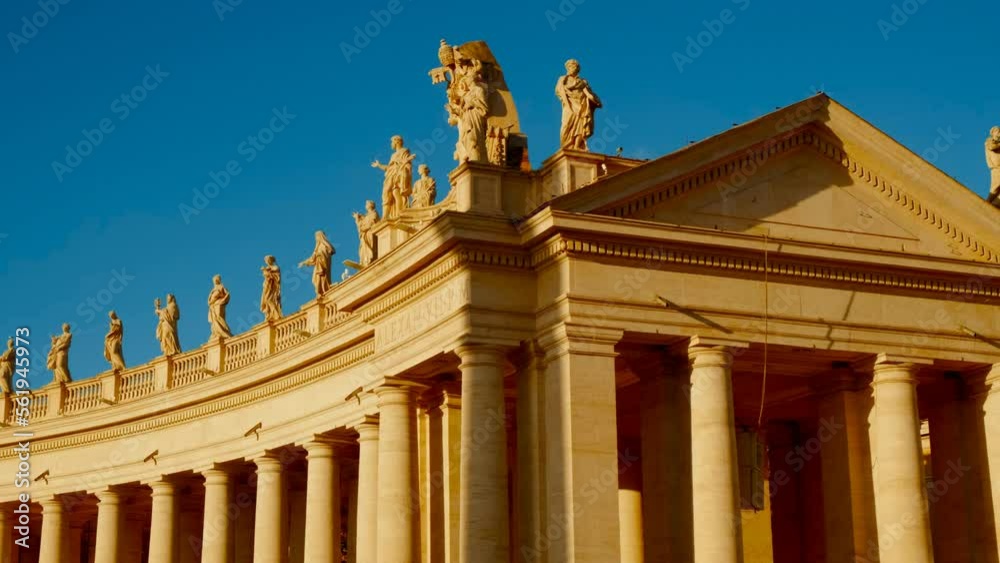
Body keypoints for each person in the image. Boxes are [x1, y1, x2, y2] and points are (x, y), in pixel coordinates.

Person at [556, 59, 602, 151]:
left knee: (581, 124)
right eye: (571, 66)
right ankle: (565, 145)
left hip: (582, 104)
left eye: (575, 67)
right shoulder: (563, 79)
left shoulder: (582, 81)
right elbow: (559, 91)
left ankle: (577, 146)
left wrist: (595, 100)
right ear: (567, 68)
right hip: (570, 104)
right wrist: (572, 86)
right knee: (567, 124)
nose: (573, 68)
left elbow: (588, 93)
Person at [371, 136, 415, 219]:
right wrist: (379, 165)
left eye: (392, 142)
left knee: (396, 194)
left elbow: (407, 164)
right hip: (391, 175)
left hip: (398, 175)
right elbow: (389, 168)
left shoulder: (404, 151)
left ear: (396, 142)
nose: (391, 144)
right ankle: (386, 216)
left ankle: (400, 213)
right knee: (387, 194)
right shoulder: (393, 155)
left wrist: (405, 163)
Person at [300, 230, 335, 297]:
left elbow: (325, 255)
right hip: (319, 266)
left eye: (316, 237)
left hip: (322, 267)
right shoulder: (318, 247)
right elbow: (312, 258)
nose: (316, 238)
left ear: (320, 236)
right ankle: (320, 292)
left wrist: (319, 255)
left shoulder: (324, 245)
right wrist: (304, 262)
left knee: (319, 278)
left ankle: (321, 292)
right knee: (315, 280)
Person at [353, 200, 380, 267]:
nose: (366, 205)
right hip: (365, 235)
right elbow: (361, 226)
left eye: (367, 204)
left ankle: (370, 260)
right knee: (363, 249)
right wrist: (357, 219)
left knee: (370, 248)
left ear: (370, 206)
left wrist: (363, 227)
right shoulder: (367, 216)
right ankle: (365, 261)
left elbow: (370, 224)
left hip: (371, 234)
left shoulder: (374, 214)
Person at [207, 275, 233, 339]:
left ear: (218, 280)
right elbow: (209, 299)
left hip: (219, 304)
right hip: (213, 306)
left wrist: (223, 300)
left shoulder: (222, 287)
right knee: (214, 319)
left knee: (218, 317)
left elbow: (228, 294)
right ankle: (217, 332)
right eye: (214, 280)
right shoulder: (213, 290)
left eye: (216, 279)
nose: (215, 281)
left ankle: (225, 331)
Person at [260, 255, 282, 322]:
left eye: (268, 260)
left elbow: (275, 271)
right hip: (267, 286)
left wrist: (266, 270)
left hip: (272, 288)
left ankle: (276, 315)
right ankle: (270, 315)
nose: (266, 261)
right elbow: (267, 275)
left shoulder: (275, 267)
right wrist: (265, 271)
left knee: (269, 300)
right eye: (266, 260)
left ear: (271, 260)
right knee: (266, 300)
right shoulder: (268, 268)